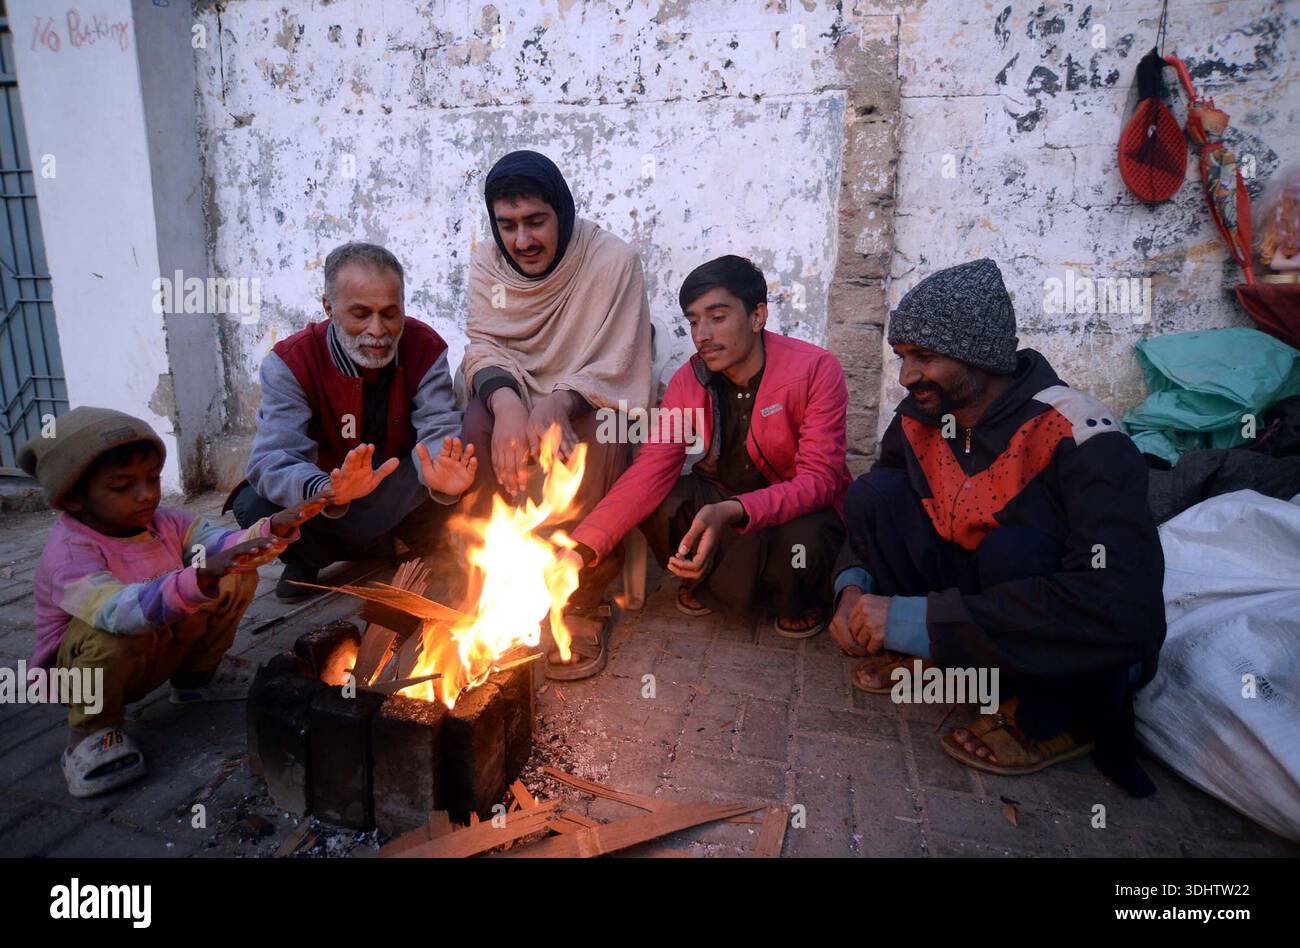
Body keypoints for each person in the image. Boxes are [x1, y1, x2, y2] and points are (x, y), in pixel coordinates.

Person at [829, 258, 1166, 794]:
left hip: (1068, 641)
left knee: (1015, 550)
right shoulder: (921, 418)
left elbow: (1122, 606)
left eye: (924, 357)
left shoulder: (1082, 435)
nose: (906, 376)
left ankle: (1055, 718)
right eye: (901, 357)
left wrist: (920, 617)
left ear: (979, 354)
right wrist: (854, 587)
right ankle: (950, 662)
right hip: (983, 609)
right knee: (874, 494)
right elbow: (878, 511)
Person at [560, 255, 851, 677]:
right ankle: (704, 582)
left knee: (804, 541)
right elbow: (650, 470)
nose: (703, 335)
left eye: (717, 317)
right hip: (724, 493)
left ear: (757, 316)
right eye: (694, 322)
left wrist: (731, 511)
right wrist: (583, 546)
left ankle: (793, 601)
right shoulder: (689, 380)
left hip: (789, 507)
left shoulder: (816, 369)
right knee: (662, 504)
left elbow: (820, 481)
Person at [20, 408, 329, 798]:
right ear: (73, 499)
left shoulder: (165, 522)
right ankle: (90, 734)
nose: (146, 494)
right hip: (94, 670)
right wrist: (200, 575)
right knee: (114, 630)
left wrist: (273, 529)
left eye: (151, 479)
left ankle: (196, 680)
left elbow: (223, 547)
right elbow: (121, 613)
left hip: (155, 644)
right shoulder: (67, 554)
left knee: (234, 576)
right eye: (121, 486)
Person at [461, 150, 652, 675]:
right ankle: (497, 575)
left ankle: (582, 588)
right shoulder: (488, 264)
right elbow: (484, 346)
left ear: (562, 214)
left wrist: (558, 402)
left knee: (604, 436)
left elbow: (621, 358)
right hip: (515, 395)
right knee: (477, 426)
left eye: (535, 221)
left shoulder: (612, 261)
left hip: (591, 397)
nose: (521, 241)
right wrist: (506, 406)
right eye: (508, 225)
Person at [228, 242, 477, 600]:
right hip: (326, 499)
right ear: (329, 307)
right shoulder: (290, 363)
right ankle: (306, 560)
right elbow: (273, 458)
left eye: (390, 314)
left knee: (461, 470)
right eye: (360, 314)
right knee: (253, 503)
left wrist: (442, 474)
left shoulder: (424, 348)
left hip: (394, 495)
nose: (378, 330)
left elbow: (438, 428)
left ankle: (412, 547)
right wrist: (325, 488)